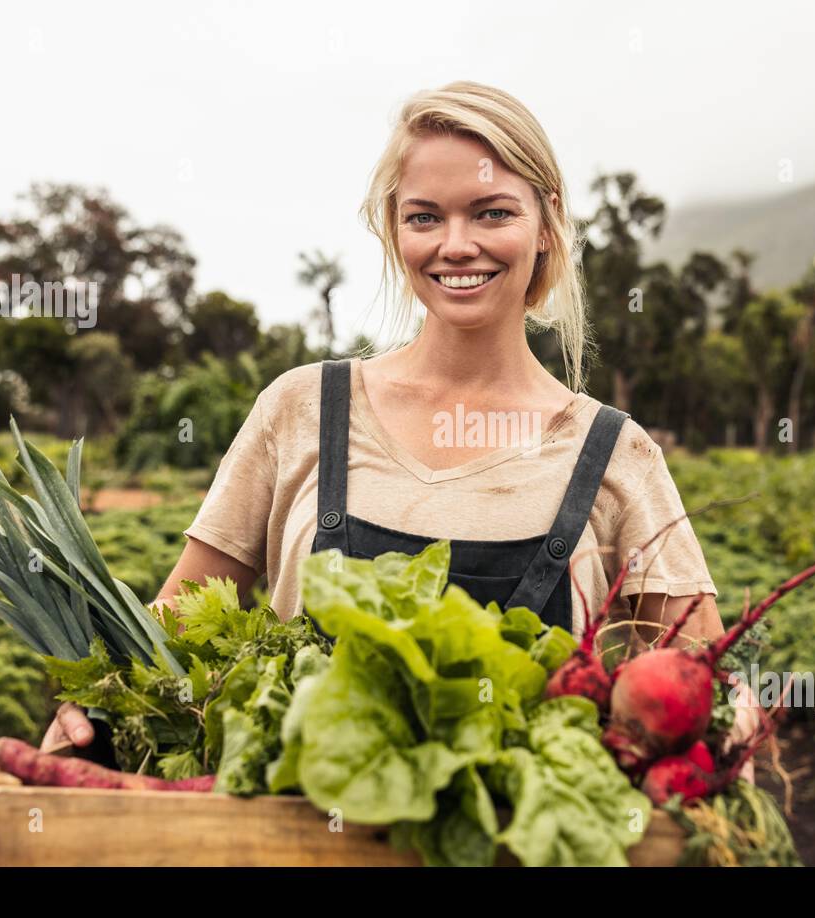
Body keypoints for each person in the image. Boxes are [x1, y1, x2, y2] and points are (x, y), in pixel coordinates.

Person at [42, 80, 760, 781]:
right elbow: (176, 625)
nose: (456, 245)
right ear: (394, 227)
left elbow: (704, 687)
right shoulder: (301, 410)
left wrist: (733, 715)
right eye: (424, 217)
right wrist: (98, 699)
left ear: (546, 224)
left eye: (491, 213)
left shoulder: (615, 455)